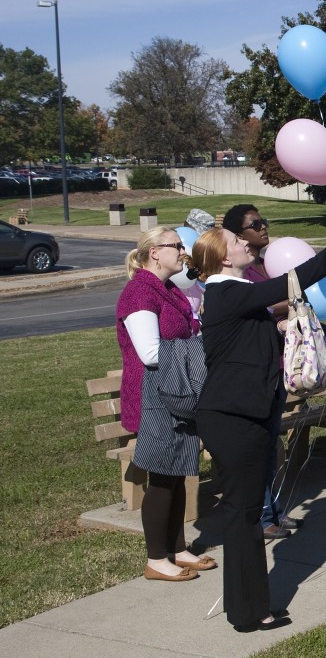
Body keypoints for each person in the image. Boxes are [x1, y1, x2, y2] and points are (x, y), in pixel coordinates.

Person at [191, 219, 326, 631]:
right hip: (233, 420)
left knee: (245, 513)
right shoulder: (228, 291)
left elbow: (252, 340)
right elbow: (294, 281)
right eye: (236, 240)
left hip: (243, 416)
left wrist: (289, 328)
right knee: (243, 515)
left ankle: (250, 604)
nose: (245, 243)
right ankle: (249, 612)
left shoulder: (233, 298)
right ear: (222, 256)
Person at [116, 227, 212, 582]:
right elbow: (151, 352)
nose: (182, 251)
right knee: (161, 477)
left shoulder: (167, 288)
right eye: (177, 246)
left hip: (174, 390)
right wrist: (199, 352)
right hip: (153, 394)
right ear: (154, 252)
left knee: (176, 473)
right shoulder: (140, 292)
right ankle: (157, 558)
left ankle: (178, 548)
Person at [222, 205, 295, 541]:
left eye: (264, 221)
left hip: (276, 366)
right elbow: (263, 304)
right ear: (239, 235)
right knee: (260, 447)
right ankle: (264, 517)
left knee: (270, 445)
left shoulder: (264, 266)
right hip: (255, 375)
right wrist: (289, 301)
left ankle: (274, 511)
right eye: (256, 224)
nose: (264, 227)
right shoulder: (239, 276)